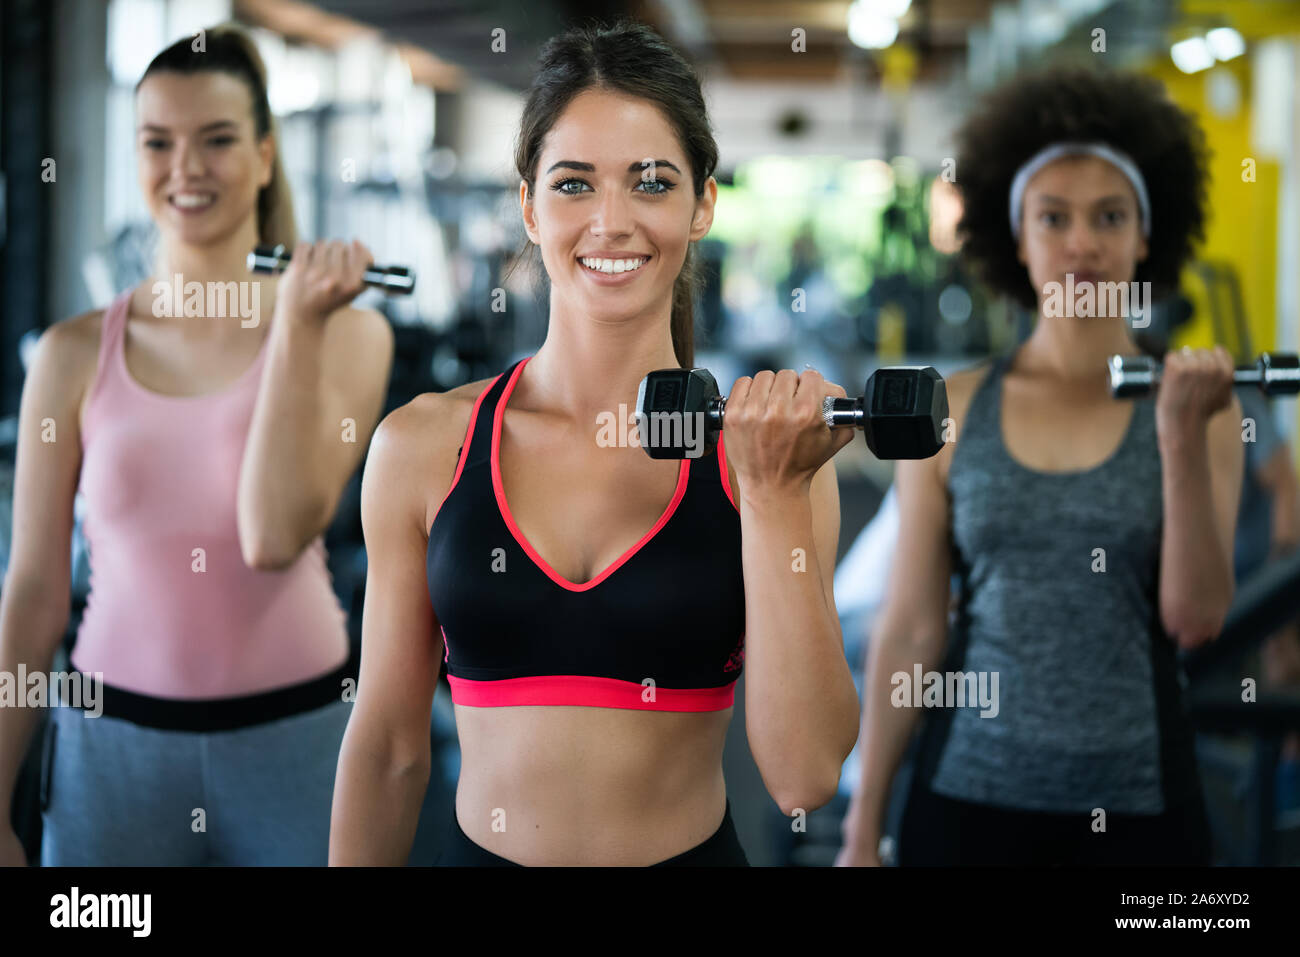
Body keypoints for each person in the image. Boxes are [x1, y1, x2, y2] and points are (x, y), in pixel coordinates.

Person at [329, 20, 860, 867]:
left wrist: (771, 495)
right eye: (575, 184)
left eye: (651, 182)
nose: (611, 222)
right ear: (530, 207)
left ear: (703, 204)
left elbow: (804, 774)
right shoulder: (423, 446)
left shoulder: (763, 458)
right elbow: (389, 748)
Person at [0, 25, 394, 866]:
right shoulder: (72, 353)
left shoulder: (351, 336)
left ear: (262, 155)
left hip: (299, 736)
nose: (186, 167)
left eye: (216, 139)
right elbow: (34, 588)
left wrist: (290, 321)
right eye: (157, 142)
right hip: (112, 746)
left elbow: (276, 532)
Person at [837, 68, 1242, 866]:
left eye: (1109, 216)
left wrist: (1178, 437)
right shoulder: (954, 408)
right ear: (1017, 237)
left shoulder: (1203, 408)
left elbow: (1194, 618)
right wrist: (863, 825)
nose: (1082, 241)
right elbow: (913, 627)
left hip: (1139, 806)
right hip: (964, 801)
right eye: (1053, 216)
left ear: (1145, 237)